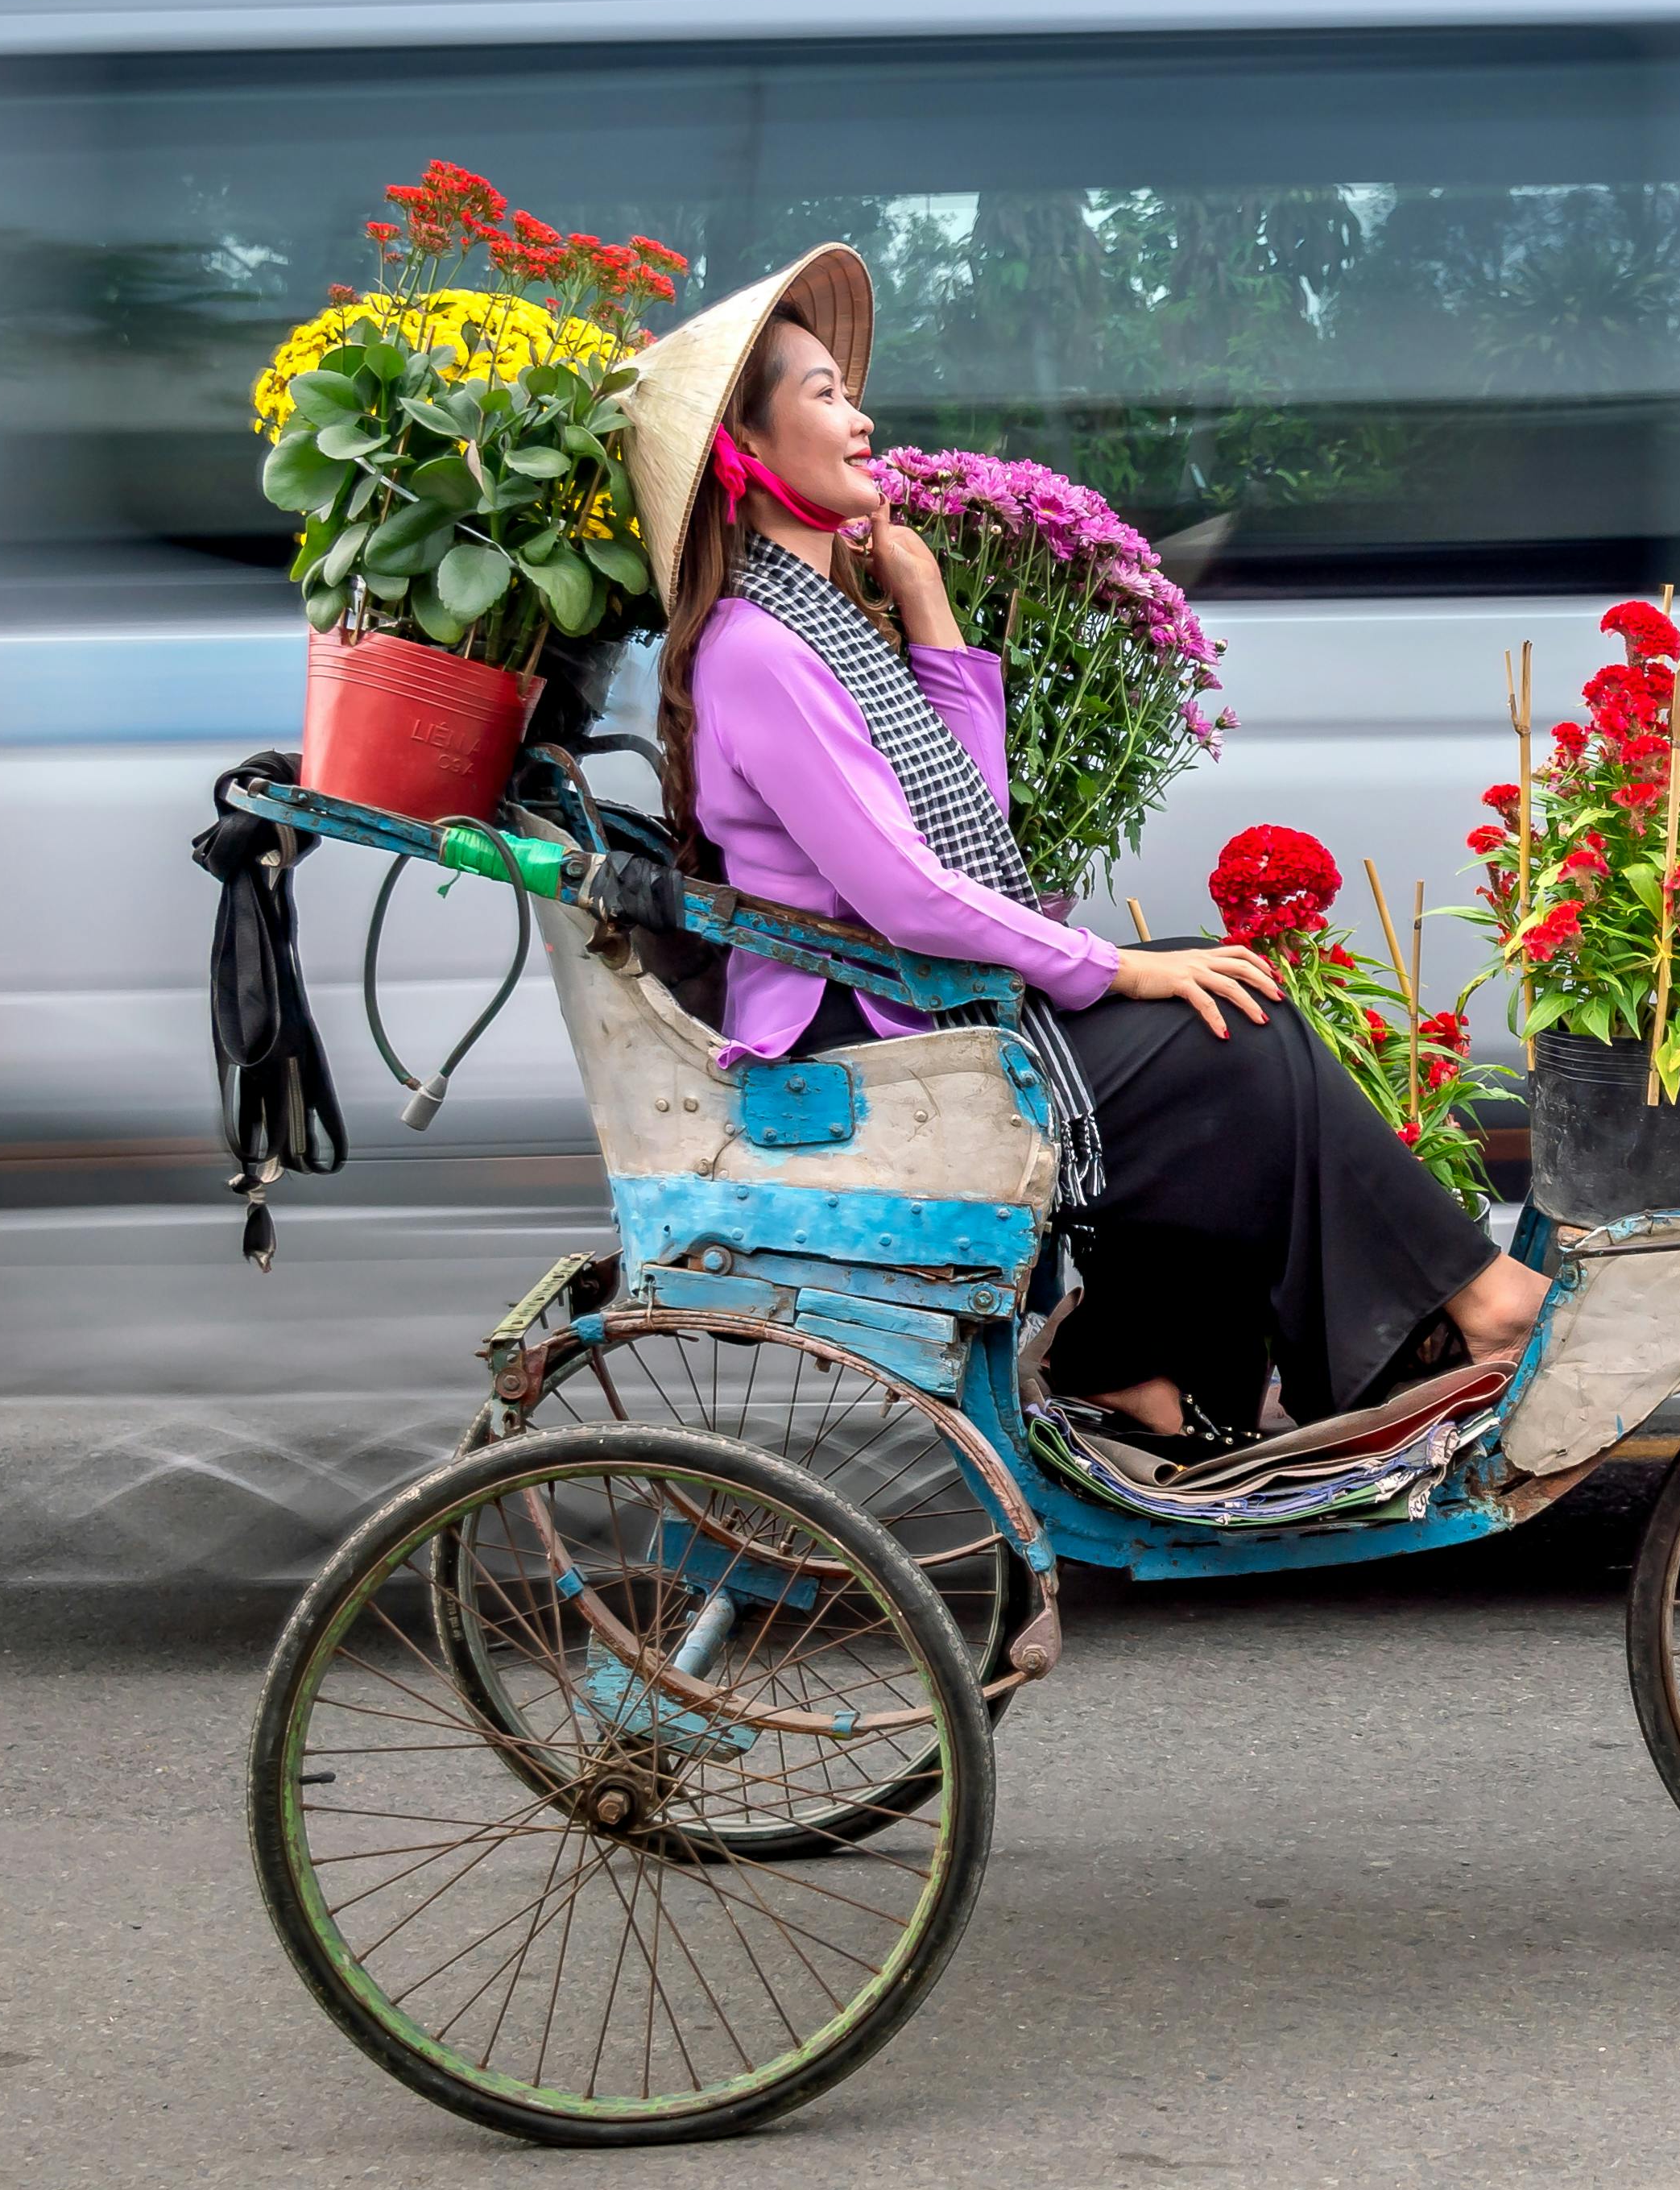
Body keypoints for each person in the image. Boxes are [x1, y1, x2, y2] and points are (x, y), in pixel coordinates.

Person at [621, 243, 1541, 1455]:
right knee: (1233, 1035)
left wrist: (929, 603)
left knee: (1229, 990)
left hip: (904, 999)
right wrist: (1112, 968)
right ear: (746, 454)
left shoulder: (821, 627)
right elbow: (906, 892)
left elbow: (969, 827)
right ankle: (1463, 1306)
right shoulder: (759, 648)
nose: (864, 418)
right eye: (826, 396)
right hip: (867, 1036)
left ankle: (1138, 1364)